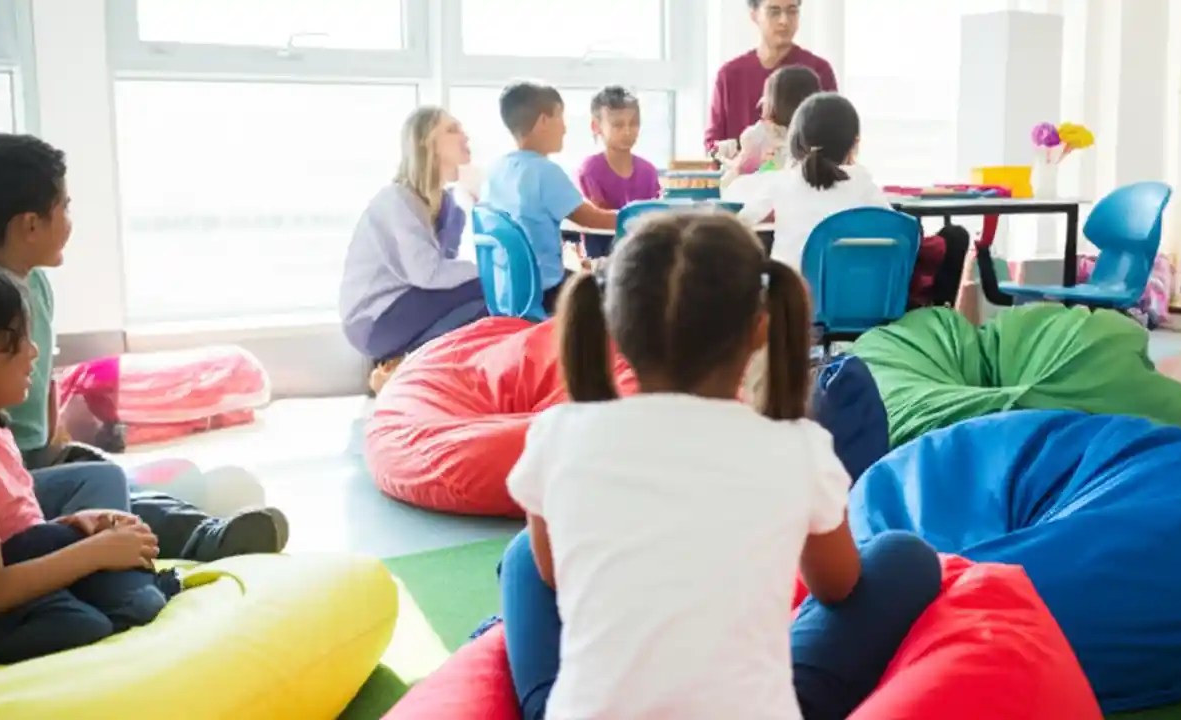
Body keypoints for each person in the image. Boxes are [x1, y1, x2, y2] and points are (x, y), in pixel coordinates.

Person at [498, 212, 942, 719]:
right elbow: (837, 586)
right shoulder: (797, 446)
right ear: (760, 328)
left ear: (614, 325)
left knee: (522, 557)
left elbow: (554, 577)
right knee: (902, 557)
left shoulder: (557, 434)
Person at [0, 133, 288, 561]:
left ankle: (207, 528)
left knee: (115, 481)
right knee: (106, 499)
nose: (71, 219)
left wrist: (58, 436)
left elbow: (44, 377)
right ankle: (205, 539)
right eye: (65, 207)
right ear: (30, 225)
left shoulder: (36, 284)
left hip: (39, 454)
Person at [0, 260, 180, 663]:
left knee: (125, 580)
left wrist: (76, 526)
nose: (33, 351)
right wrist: (95, 552)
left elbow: (12, 525)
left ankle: (134, 589)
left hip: (21, 552)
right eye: (13, 343)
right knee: (89, 622)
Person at [736, 93, 970, 307]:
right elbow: (900, 233)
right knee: (949, 237)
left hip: (792, 303)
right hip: (862, 303)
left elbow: (741, 222)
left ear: (796, 142)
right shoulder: (862, 182)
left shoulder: (780, 182)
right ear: (854, 144)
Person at [340, 107, 488, 393]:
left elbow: (447, 279)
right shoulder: (396, 200)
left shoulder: (449, 207)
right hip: (374, 320)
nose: (465, 135)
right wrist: (489, 271)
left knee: (481, 306)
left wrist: (479, 202)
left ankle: (403, 367)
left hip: (406, 308)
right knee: (488, 287)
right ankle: (404, 367)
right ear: (426, 142)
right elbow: (429, 274)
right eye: (452, 129)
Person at [482, 82, 617, 313]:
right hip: (544, 292)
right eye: (560, 118)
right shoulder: (543, 171)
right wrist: (640, 216)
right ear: (544, 121)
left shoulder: (497, 169)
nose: (565, 128)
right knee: (619, 288)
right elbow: (593, 219)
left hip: (507, 291)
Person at [707, 0, 838, 155]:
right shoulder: (729, 75)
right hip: (741, 175)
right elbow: (712, 144)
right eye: (774, 11)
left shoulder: (818, 70)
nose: (784, 21)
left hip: (801, 176)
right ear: (754, 14)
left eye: (792, 11)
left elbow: (834, 137)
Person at [575, 86, 661, 260]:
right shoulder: (590, 169)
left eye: (634, 123)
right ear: (596, 126)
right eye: (618, 125)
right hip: (602, 260)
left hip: (646, 256)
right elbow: (598, 220)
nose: (628, 131)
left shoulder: (648, 171)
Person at [719, 64, 821, 188]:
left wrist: (738, 166)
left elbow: (728, 187)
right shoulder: (822, 138)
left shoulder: (758, 135)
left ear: (774, 103)